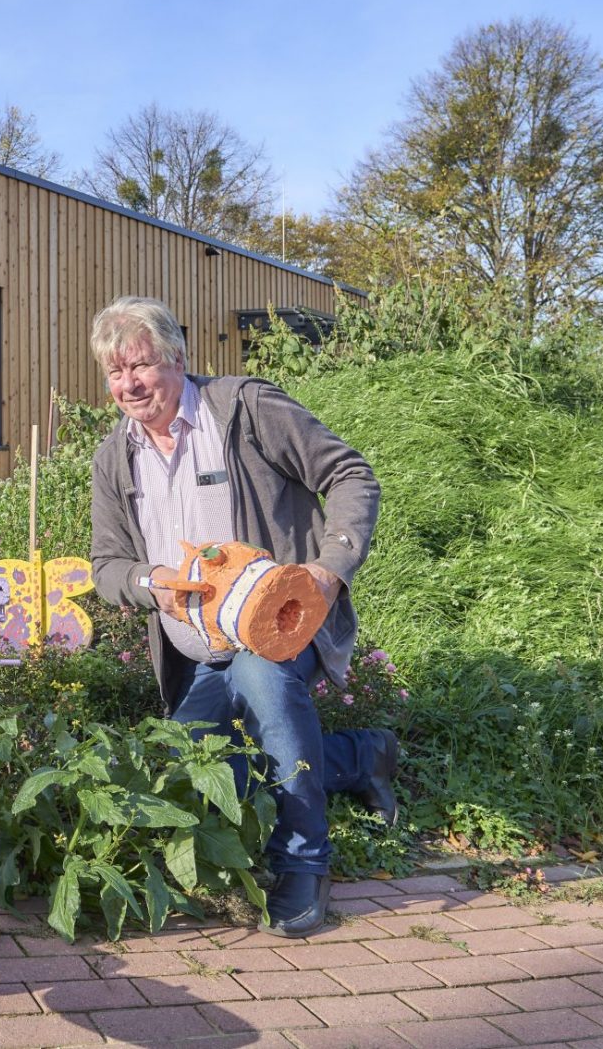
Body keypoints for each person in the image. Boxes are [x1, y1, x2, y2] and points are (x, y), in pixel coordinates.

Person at [86, 296, 397, 939]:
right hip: (197, 650)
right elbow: (107, 565)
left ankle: (305, 863)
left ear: (176, 357)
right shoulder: (115, 458)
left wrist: (327, 570)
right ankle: (359, 757)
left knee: (266, 684)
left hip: (279, 623)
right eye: (115, 374)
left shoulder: (243, 407)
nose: (129, 385)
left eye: (140, 366)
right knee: (189, 766)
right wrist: (151, 583)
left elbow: (350, 474)